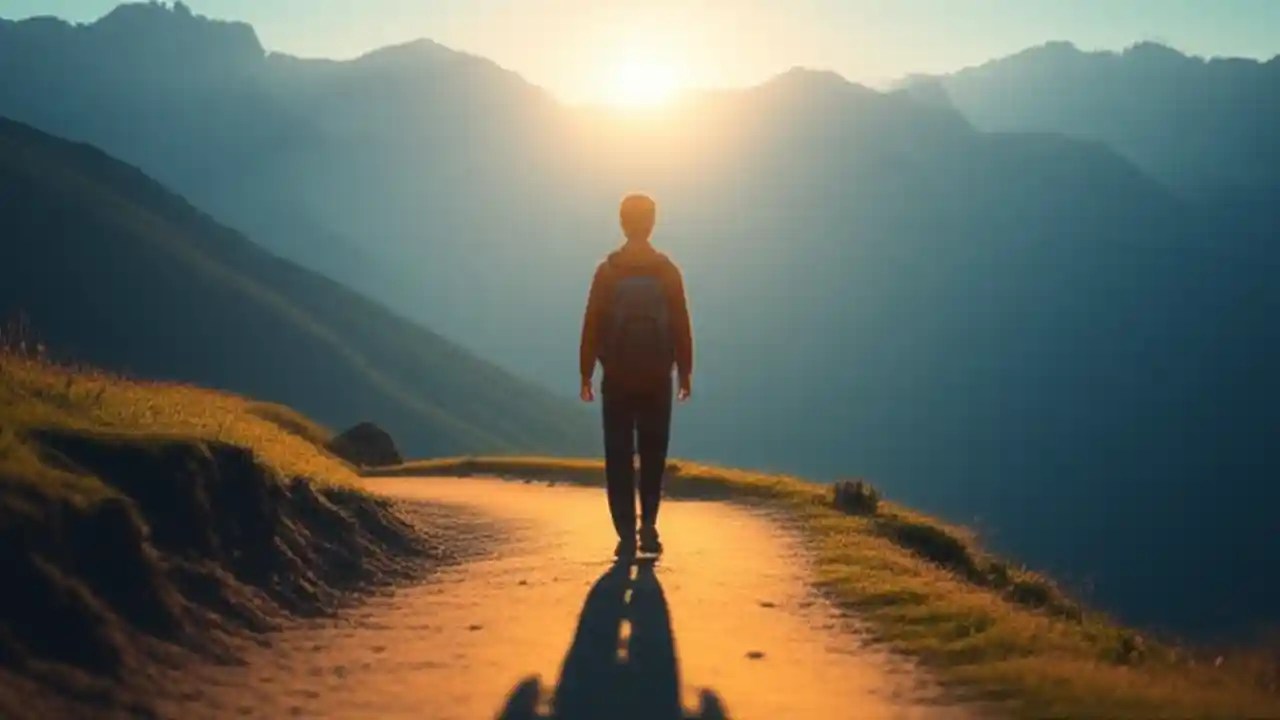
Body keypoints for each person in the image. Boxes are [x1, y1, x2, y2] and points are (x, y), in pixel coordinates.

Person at [579, 193, 693, 558]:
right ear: (652, 223)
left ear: (622, 223)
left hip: (617, 377)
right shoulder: (667, 270)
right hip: (658, 376)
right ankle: (649, 526)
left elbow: (592, 324)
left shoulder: (608, 270)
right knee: (653, 452)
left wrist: (586, 372)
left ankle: (625, 532)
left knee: (618, 454)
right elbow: (680, 323)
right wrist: (685, 371)